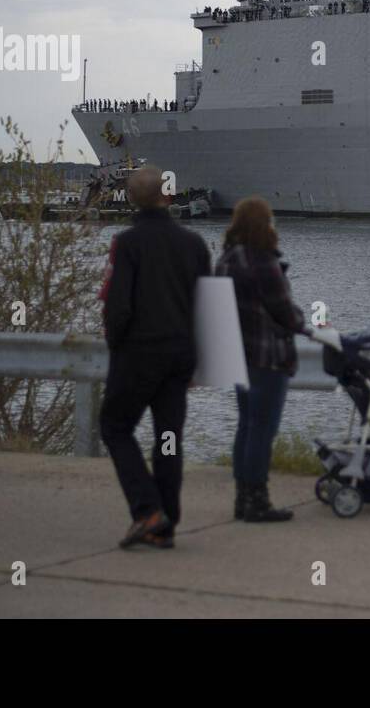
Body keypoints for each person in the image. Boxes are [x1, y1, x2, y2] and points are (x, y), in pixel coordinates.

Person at [100, 166, 212, 549]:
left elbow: (117, 308)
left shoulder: (127, 243)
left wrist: (116, 347)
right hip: (179, 357)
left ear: (131, 199)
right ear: (167, 197)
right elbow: (206, 308)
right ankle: (165, 519)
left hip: (138, 354)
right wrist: (198, 359)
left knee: (115, 427)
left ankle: (147, 508)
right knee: (168, 436)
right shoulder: (195, 244)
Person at [216, 197, 305, 522]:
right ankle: (258, 498)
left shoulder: (226, 259)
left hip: (237, 355)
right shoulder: (262, 261)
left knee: (245, 425)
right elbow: (284, 311)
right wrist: (303, 321)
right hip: (266, 357)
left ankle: (243, 497)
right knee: (263, 428)